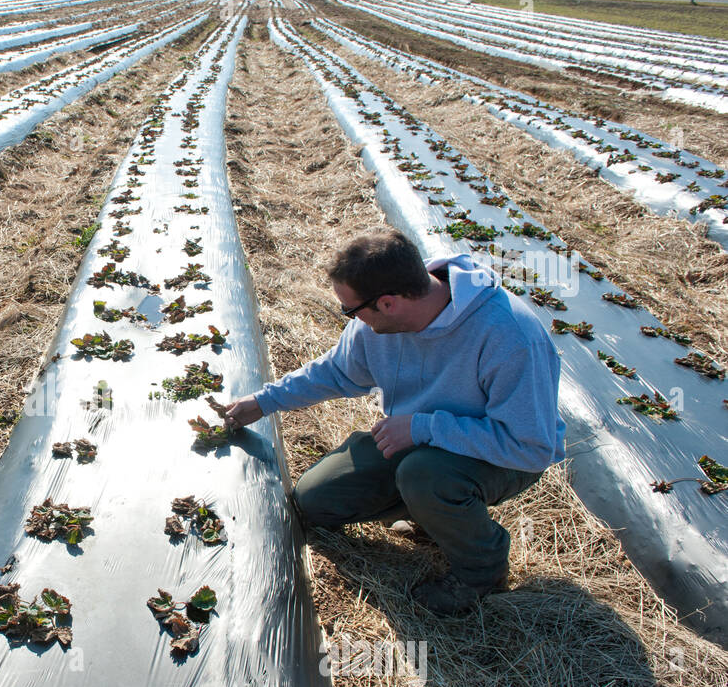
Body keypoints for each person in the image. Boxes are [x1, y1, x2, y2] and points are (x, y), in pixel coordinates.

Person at [225, 228, 566, 616]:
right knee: (317, 500)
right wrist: (263, 401)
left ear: (387, 303)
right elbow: (337, 371)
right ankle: (433, 516)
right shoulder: (378, 325)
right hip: (418, 441)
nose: (351, 320)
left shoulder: (509, 336)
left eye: (351, 311)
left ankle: (481, 571)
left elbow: (530, 446)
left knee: (426, 476)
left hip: (499, 455)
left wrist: (423, 427)